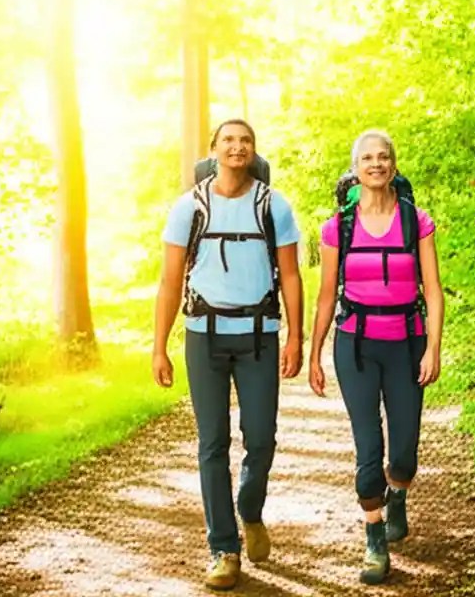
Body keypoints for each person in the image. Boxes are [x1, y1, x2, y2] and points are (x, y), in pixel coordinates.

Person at [152, 119, 304, 591]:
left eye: (246, 141)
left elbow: (292, 276)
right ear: (214, 149)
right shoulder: (188, 208)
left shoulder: (273, 206)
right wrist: (159, 346)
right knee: (212, 445)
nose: (237, 147)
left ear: (253, 151)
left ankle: (250, 510)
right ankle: (223, 549)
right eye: (229, 140)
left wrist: (295, 338)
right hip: (204, 338)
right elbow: (169, 280)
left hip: (259, 336)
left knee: (260, 440)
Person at [307, 128, 444, 585]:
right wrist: (314, 354)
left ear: (394, 165)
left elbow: (435, 292)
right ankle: (374, 539)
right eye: (367, 158)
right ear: (356, 168)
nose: (376, 164)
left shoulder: (416, 221)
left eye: (384, 157)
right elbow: (326, 297)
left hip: (407, 341)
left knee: (403, 453)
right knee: (369, 448)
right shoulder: (338, 228)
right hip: (357, 345)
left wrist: (434, 348)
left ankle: (398, 493)